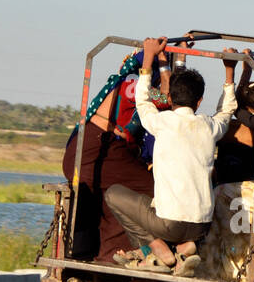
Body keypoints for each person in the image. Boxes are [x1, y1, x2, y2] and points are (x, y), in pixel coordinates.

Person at [105, 36, 238, 274]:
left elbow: (143, 101)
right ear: (199, 101)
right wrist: (229, 73)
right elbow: (227, 111)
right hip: (201, 226)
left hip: (169, 226)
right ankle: (186, 248)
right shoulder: (208, 126)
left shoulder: (162, 122)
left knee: (114, 194)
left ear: (168, 99)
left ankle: (157, 249)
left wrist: (148, 56)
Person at [59, 49, 173, 262]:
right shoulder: (132, 84)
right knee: (155, 188)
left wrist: (174, 57)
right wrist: (163, 63)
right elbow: (167, 99)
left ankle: (111, 260)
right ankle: (153, 247)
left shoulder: (124, 81)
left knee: (116, 200)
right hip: (98, 151)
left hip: (94, 151)